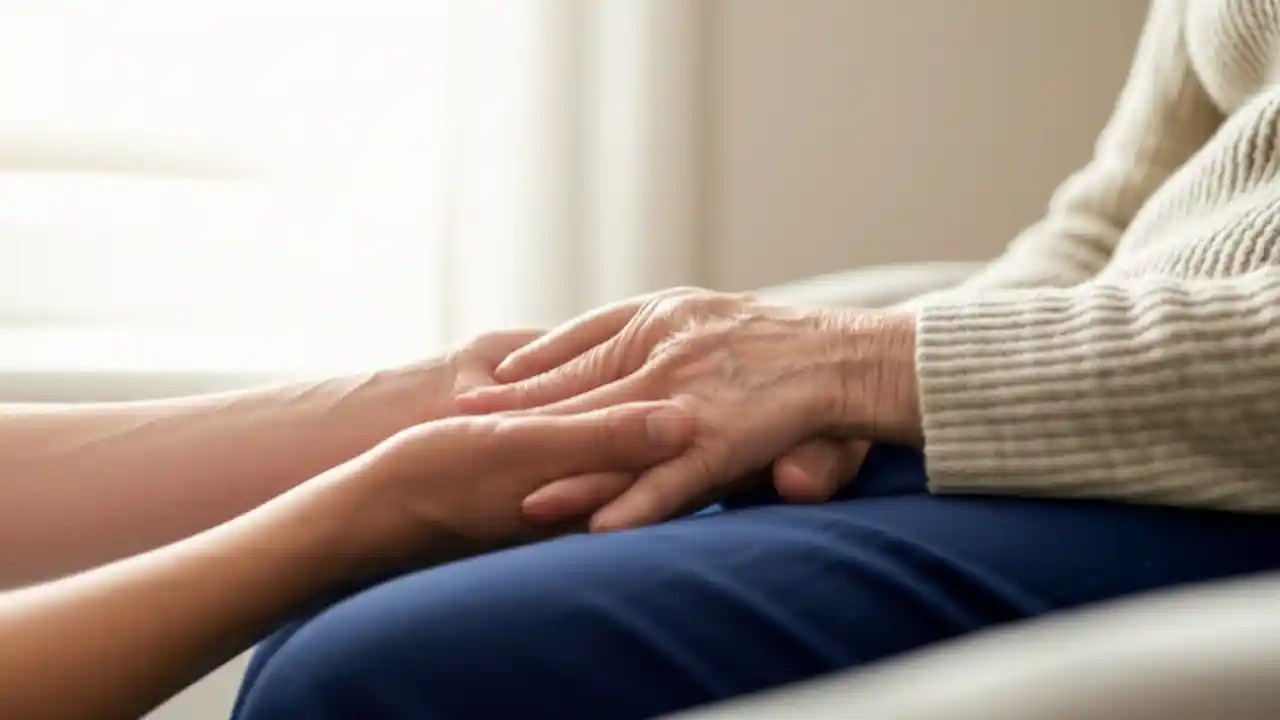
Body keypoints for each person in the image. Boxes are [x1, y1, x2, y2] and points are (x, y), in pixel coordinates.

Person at [230, 0, 1280, 717]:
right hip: (1076, 414)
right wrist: (797, 383)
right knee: (342, 613)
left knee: (365, 683)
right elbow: (1109, 218)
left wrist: (863, 368)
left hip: (1224, 482)